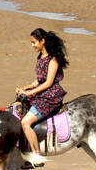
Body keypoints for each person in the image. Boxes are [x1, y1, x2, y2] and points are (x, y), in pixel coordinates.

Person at [15, 28, 68, 157]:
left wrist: (30, 93)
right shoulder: (40, 57)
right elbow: (39, 80)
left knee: (25, 123)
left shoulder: (53, 60)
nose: (32, 45)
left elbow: (48, 82)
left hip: (50, 96)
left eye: (34, 42)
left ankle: (37, 155)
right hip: (41, 93)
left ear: (42, 41)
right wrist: (25, 88)